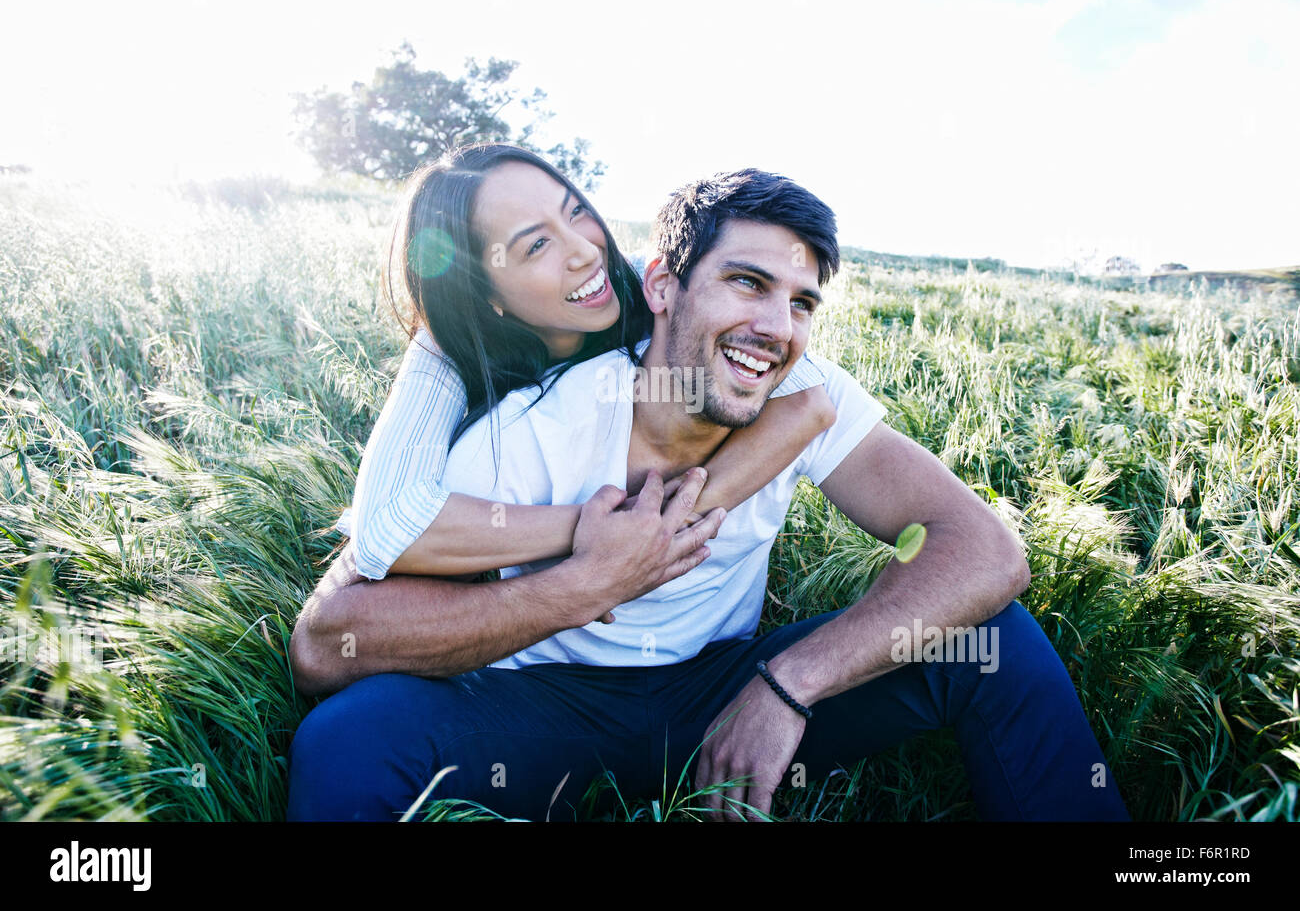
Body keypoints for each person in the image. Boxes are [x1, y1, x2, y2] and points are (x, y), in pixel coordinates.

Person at [287, 168, 1131, 822]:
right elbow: (331, 639)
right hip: (544, 703)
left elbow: (984, 550)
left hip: (721, 688)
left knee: (991, 642)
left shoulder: (801, 392)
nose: (777, 328)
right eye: (747, 283)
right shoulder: (527, 431)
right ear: (662, 286)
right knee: (351, 736)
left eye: (802, 303)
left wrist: (790, 684)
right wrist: (581, 584)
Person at [337, 143, 835, 586]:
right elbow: (382, 531)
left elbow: (810, 402)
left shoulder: (650, 281)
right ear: (485, 294)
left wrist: (664, 522)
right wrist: (607, 531)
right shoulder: (444, 353)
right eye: (536, 245)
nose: (584, 251)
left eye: (575, 212)